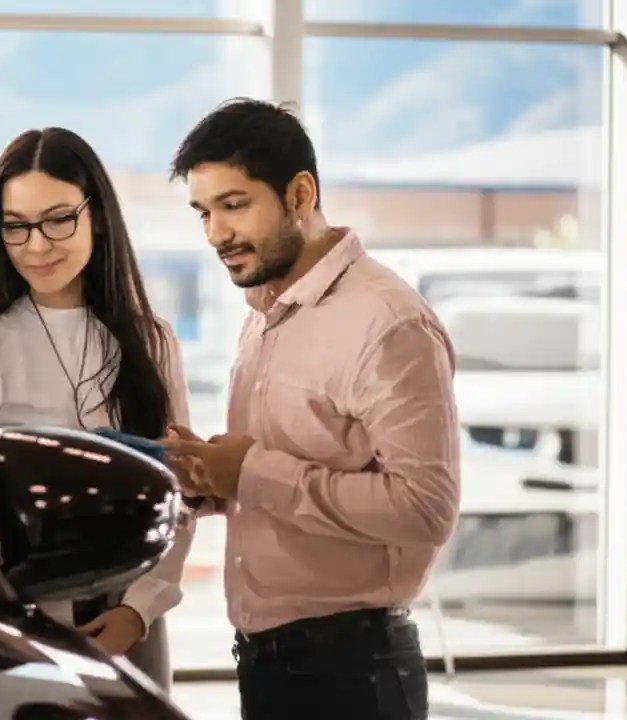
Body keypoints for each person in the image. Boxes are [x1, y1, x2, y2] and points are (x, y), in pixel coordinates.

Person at [158, 98, 461, 720]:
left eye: (235, 206)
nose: (217, 234)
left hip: (352, 675)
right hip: (271, 668)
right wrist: (213, 477)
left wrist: (247, 473)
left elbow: (425, 508)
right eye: (204, 212)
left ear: (299, 195)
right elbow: (291, 471)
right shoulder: (266, 313)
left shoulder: (387, 322)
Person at [0, 126, 195, 691]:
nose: (38, 245)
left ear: (96, 214)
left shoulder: (153, 343)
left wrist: (136, 612)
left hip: (133, 632)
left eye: (57, 219)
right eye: (17, 226)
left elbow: (180, 494)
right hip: (21, 634)